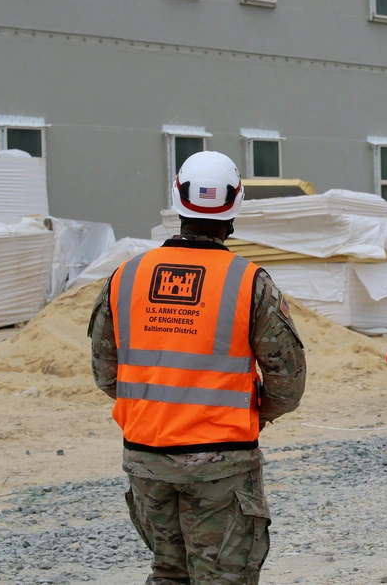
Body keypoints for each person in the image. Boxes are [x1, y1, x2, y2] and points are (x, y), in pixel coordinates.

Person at [89, 151, 306, 585]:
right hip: (221, 465)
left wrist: (157, 406)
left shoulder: (125, 277)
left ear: (177, 199)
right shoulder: (249, 282)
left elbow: (105, 373)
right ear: (236, 204)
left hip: (147, 462)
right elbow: (288, 381)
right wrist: (250, 412)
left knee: (169, 573)